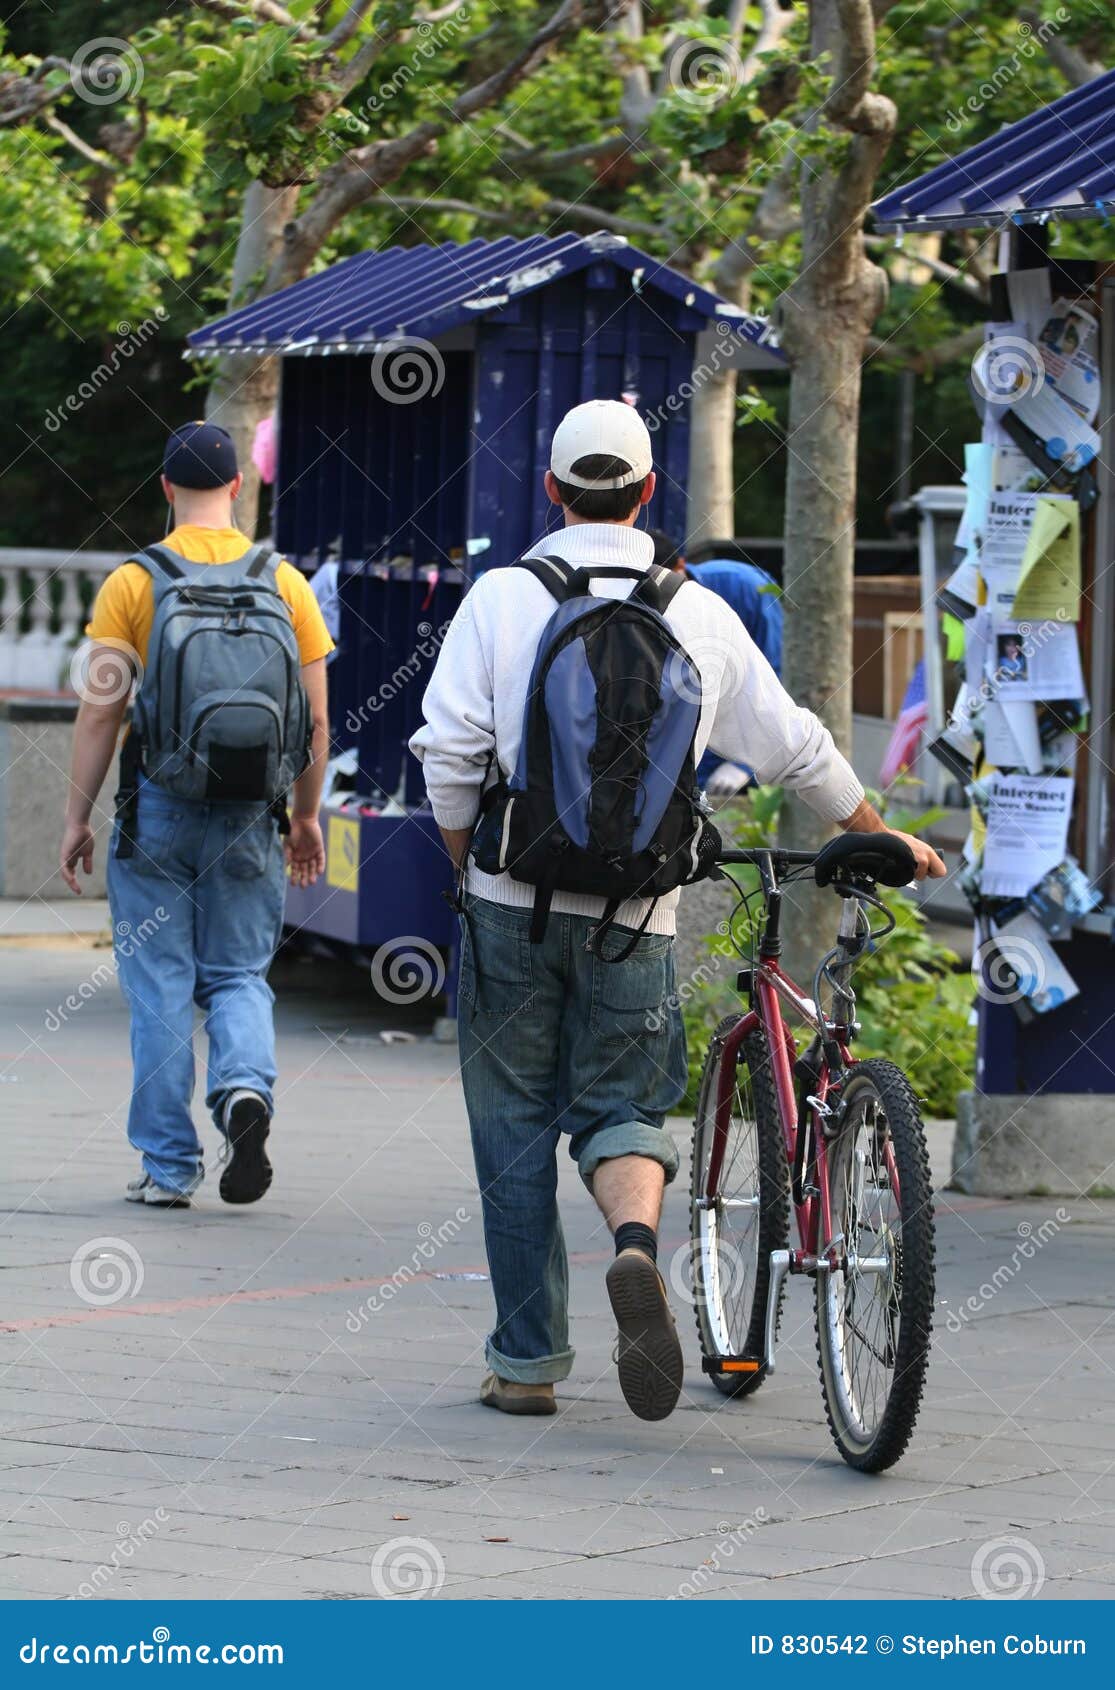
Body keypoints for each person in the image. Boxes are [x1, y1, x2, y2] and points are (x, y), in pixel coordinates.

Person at [410, 399, 944, 1422]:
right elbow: (793, 745)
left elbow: (447, 756)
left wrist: (466, 873)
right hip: (637, 917)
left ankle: (524, 1364)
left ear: (553, 490)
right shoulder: (695, 609)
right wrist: (879, 832)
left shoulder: (500, 597)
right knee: (622, 1110)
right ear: (650, 491)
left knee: (513, 1132)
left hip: (507, 901)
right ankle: (636, 1246)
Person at [60, 422, 333, 1208]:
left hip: (159, 814)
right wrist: (306, 817)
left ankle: (169, 1168)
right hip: (253, 815)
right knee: (239, 975)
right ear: (239, 486)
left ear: (164, 487)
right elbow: (315, 719)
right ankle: (244, 1093)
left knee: (159, 988)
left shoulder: (133, 582)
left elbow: (99, 716)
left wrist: (77, 818)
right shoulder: (283, 581)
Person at [649, 529, 782, 799]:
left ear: (681, 566)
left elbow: (778, 678)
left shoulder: (744, 588)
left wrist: (745, 765)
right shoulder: (642, 602)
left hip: (753, 741)